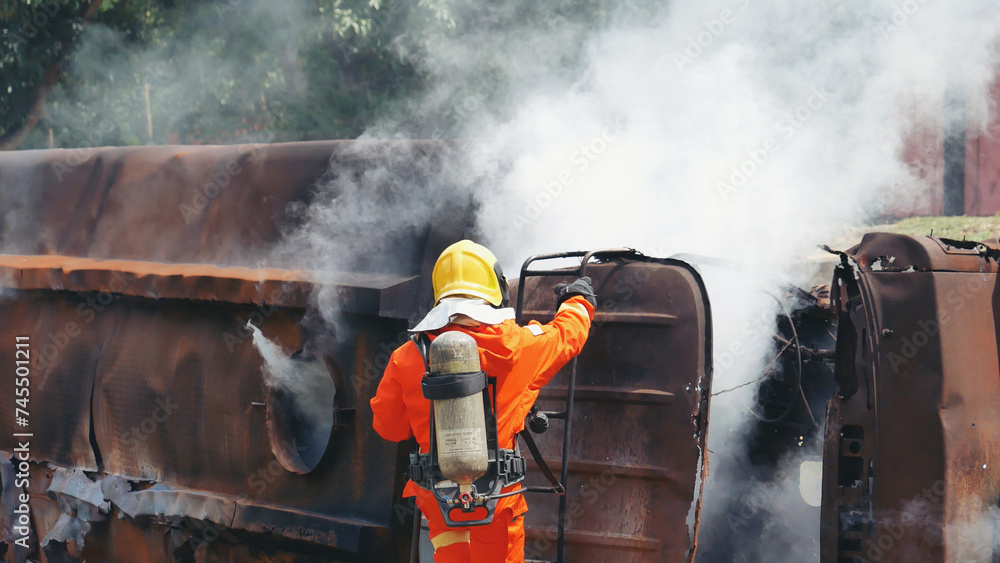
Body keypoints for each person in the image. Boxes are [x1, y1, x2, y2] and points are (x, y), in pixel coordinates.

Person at [370, 240, 597, 563]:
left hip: (439, 498)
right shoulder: (519, 347)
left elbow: (389, 428)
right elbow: (566, 336)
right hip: (497, 497)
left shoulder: (406, 356)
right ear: (495, 288)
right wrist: (577, 301)